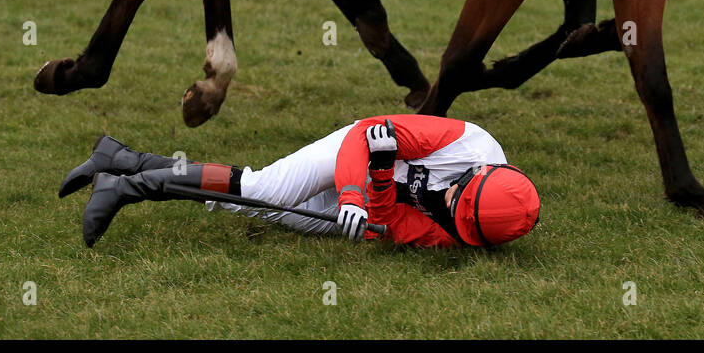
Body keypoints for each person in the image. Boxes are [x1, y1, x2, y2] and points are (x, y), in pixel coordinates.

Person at [59, 114, 540, 248]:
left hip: (372, 189)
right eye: (457, 195)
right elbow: (361, 135)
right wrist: (354, 191)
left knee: (260, 205)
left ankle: (121, 158)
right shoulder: (465, 142)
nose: (447, 202)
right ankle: (125, 188)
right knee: (266, 189)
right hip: (355, 151)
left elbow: (396, 220)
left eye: (456, 214)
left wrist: (370, 200)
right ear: (482, 171)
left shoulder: (466, 231)